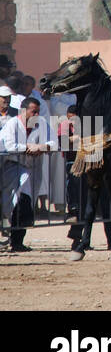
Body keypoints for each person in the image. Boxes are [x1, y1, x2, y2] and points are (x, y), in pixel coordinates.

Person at [1, 97, 57, 251]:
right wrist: (28, 147)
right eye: (34, 111)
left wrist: (42, 146)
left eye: (38, 111)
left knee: (24, 204)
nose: (37, 114)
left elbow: (54, 142)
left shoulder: (41, 124)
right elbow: (10, 145)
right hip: (12, 168)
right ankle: (11, 238)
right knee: (11, 204)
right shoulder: (12, 124)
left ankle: (17, 241)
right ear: (24, 111)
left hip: (32, 169)